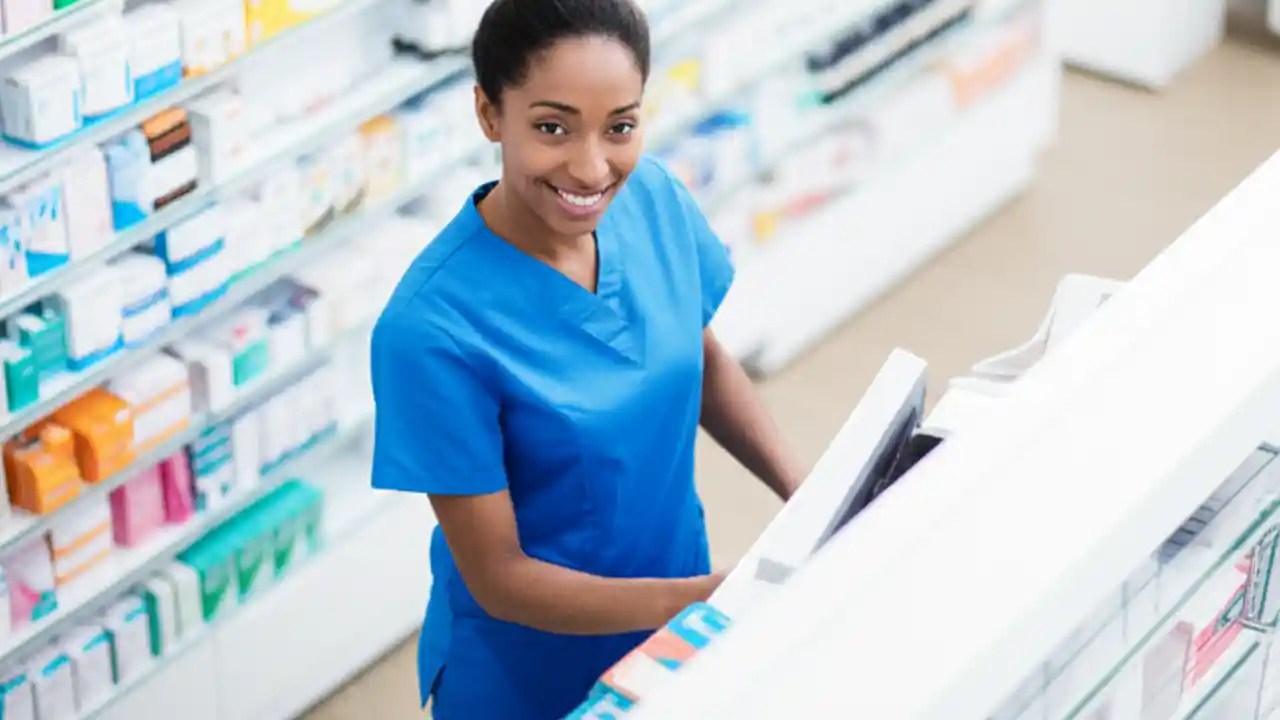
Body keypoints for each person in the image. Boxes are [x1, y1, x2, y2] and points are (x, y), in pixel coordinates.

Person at [369, 0, 804, 716]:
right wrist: (704, 599)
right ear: (488, 114)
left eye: (621, 126)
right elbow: (500, 577)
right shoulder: (431, 328)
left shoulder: (654, 199)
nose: (592, 167)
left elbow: (699, 361)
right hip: (530, 670)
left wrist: (808, 491)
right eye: (552, 127)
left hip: (677, 611)